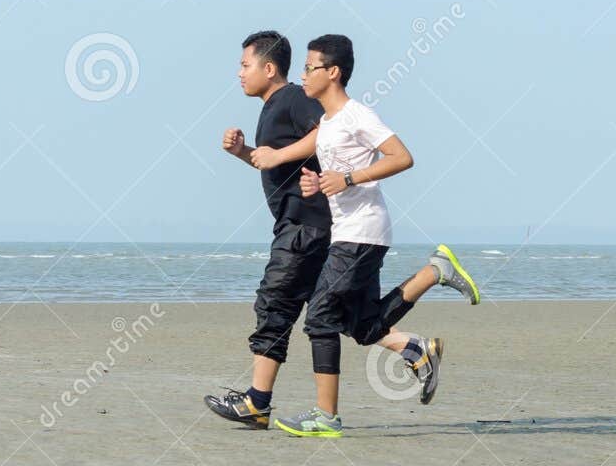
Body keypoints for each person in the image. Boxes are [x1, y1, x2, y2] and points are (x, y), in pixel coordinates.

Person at [251, 34, 481, 438]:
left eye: (310, 67)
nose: (303, 75)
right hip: (349, 231)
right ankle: (434, 276)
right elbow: (325, 159)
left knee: (320, 318)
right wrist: (317, 183)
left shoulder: (358, 115)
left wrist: (348, 178)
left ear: (333, 72)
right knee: (362, 325)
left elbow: (401, 157)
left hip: (363, 231)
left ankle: (327, 417)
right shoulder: (326, 124)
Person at [205, 31, 331, 429]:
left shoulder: (293, 98)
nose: (239, 73)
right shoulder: (272, 107)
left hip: (303, 223)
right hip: (303, 224)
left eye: (245, 65)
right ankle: (413, 347)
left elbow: (326, 132)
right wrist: (244, 152)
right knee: (334, 313)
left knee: (274, 303)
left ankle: (257, 402)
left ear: (269, 68)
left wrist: (277, 152)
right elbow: (278, 164)